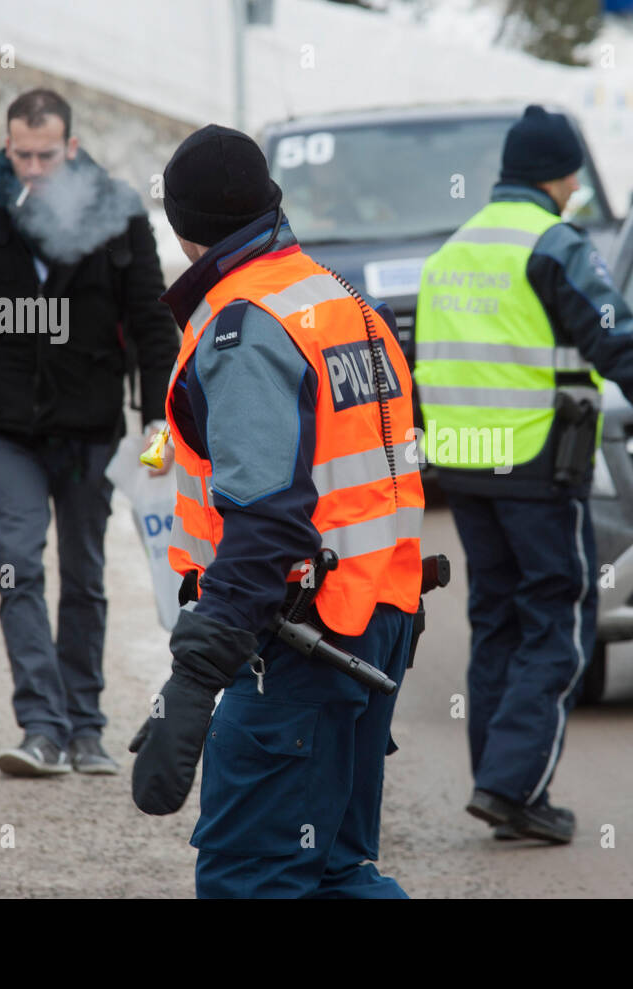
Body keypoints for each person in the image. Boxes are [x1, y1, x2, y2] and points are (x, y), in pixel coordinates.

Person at [128, 125, 424, 899]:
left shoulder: (242, 325)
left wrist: (196, 673)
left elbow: (266, 520)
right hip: (374, 620)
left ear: (183, 229)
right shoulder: (341, 299)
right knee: (331, 872)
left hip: (301, 639)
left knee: (252, 877)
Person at [413, 105, 633, 844]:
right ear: (562, 174)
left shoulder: (449, 253)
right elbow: (616, 343)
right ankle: (511, 786)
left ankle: (500, 780)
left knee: (497, 621)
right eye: (575, 171)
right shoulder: (554, 244)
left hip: (465, 469)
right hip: (537, 465)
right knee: (557, 618)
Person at [0, 89, 179, 777]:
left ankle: (85, 725)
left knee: (85, 575)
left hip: (89, 424)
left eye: (44, 154)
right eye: (19, 153)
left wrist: (158, 424)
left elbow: (154, 325)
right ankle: (41, 724)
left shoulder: (116, 210)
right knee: (19, 566)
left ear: (71, 146)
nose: (30, 168)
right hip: (2, 424)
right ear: (7, 146)